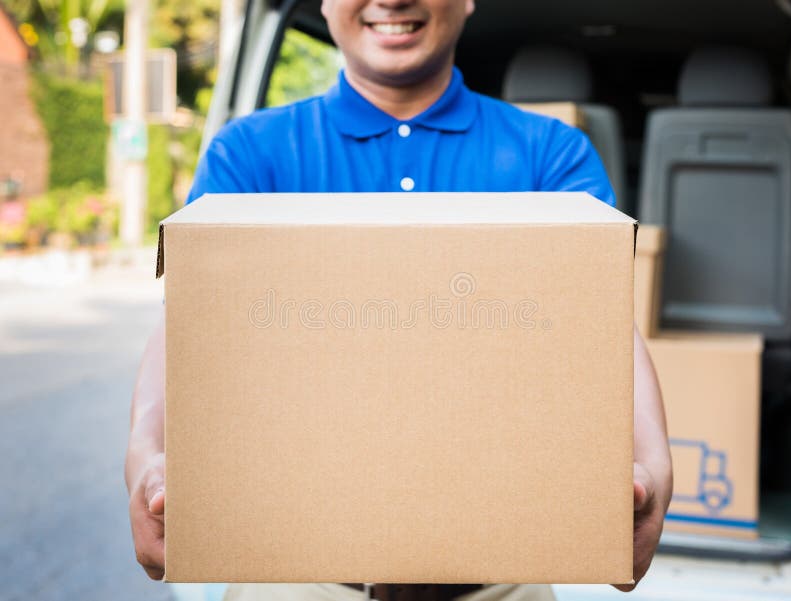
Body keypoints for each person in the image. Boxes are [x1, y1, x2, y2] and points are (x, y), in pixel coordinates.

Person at [125, 1, 673, 599]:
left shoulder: (549, 155)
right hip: (292, 576)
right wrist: (146, 457)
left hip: (499, 578)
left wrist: (651, 459)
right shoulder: (252, 155)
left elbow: (600, 326)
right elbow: (190, 325)